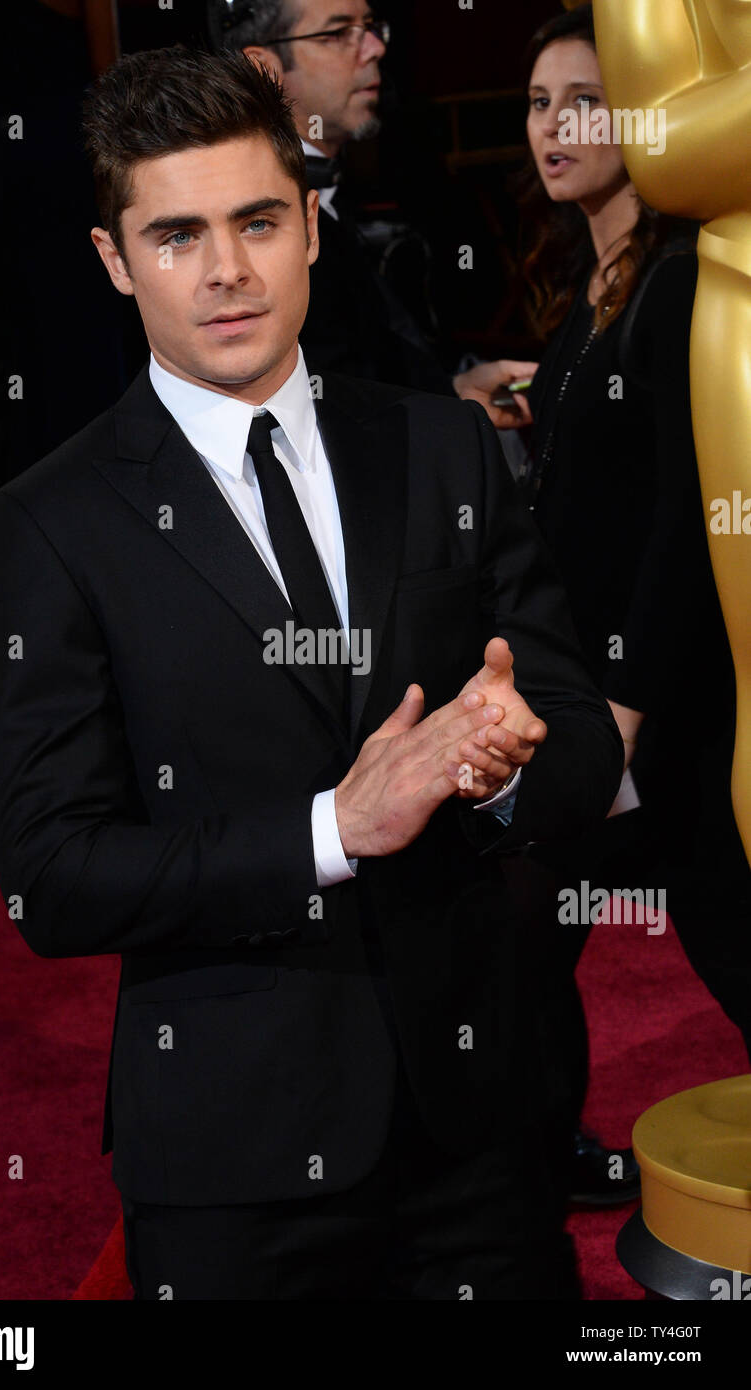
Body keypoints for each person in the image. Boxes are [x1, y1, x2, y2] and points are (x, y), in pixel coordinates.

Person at [0, 45, 623, 1300]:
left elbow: (582, 740)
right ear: (115, 260)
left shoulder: (444, 450)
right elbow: (51, 876)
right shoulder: (51, 523)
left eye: (258, 221)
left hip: (482, 1125)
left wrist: (495, 768)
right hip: (235, 1162)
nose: (225, 271)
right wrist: (337, 825)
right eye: (175, 236)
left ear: (311, 228)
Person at [462, 4, 751, 1201]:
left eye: (585, 101)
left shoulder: (684, 279)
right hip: (594, 690)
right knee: (538, 926)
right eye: (537, 104)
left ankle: (524, 1171)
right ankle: (531, 1162)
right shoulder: (591, 292)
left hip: (671, 699)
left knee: (716, 928)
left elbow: (691, 518)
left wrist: (625, 706)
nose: (554, 126)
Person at [207, 0, 537, 403]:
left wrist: (453, 392)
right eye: (336, 33)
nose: (375, 48)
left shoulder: (335, 189)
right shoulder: (248, 218)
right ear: (264, 69)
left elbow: (369, 370)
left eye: (369, 27)